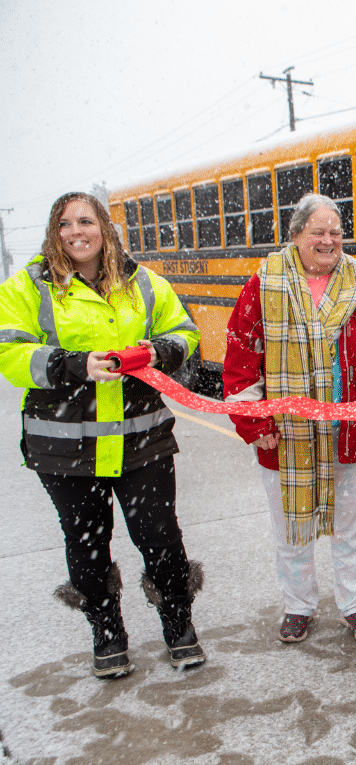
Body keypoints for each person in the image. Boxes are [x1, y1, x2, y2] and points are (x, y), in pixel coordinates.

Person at [0, 192, 205, 678]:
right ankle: (107, 631)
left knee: (161, 538)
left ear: (104, 228)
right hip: (65, 449)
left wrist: (158, 352)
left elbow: (184, 331)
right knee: (86, 545)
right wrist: (72, 366)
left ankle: (178, 625)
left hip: (142, 441)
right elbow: (7, 350)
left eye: (86, 221)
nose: (77, 232)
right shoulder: (27, 288)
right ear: (55, 231)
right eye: (66, 223)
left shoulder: (142, 282)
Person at [223, 193, 356, 645]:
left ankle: (355, 605)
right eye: (317, 232)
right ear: (296, 235)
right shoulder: (263, 285)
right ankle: (298, 605)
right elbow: (243, 354)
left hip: (350, 430)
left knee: (351, 529)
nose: (328, 241)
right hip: (286, 434)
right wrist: (253, 423)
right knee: (290, 528)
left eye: (336, 232)